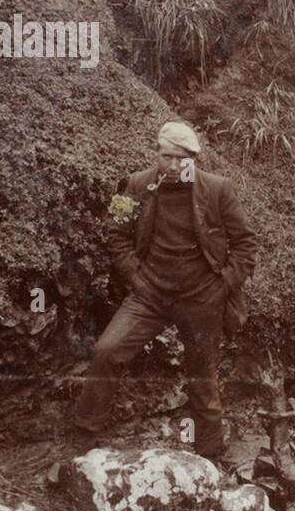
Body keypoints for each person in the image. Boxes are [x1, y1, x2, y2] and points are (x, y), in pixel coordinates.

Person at [73, 122, 256, 461]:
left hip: (201, 297)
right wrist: (136, 278)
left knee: (202, 373)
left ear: (194, 158)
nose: (172, 166)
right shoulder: (132, 185)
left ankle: (211, 454)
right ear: (156, 153)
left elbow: (245, 243)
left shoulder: (219, 189)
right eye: (165, 156)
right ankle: (85, 433)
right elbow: (116, 235)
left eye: (181, 159)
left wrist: (222, 286)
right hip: (149, 295)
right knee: (107, 350)